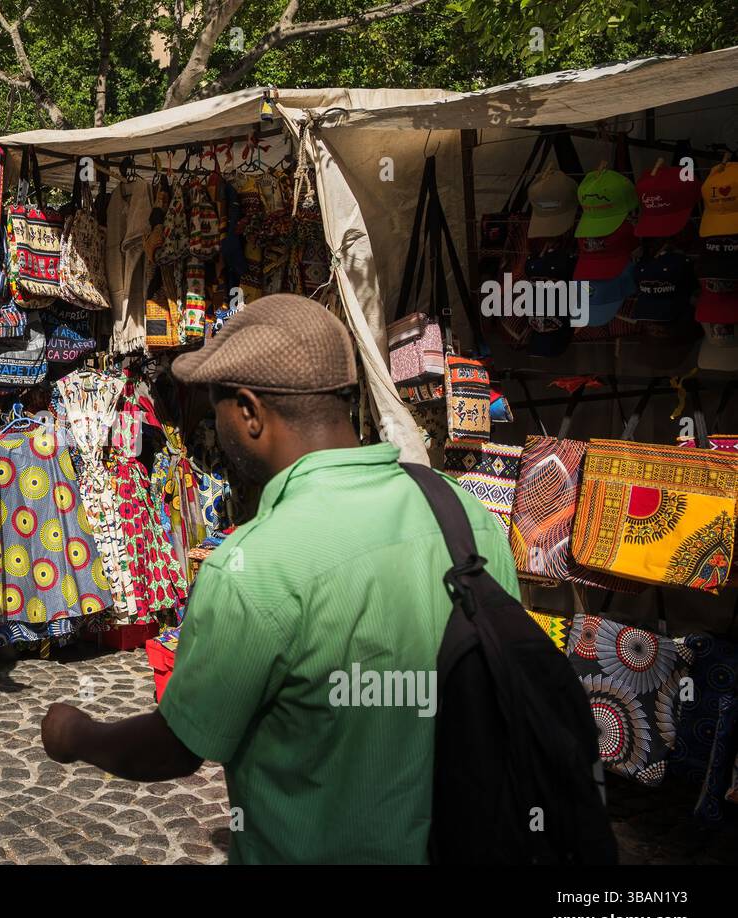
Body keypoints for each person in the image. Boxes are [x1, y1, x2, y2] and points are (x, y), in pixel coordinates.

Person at [39, 294, 519, 864]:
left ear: (248, 411)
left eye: (215, 407)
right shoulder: (465, 516)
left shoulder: (251, 568)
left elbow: (175, 748)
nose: (215, 428)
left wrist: (77, 734)